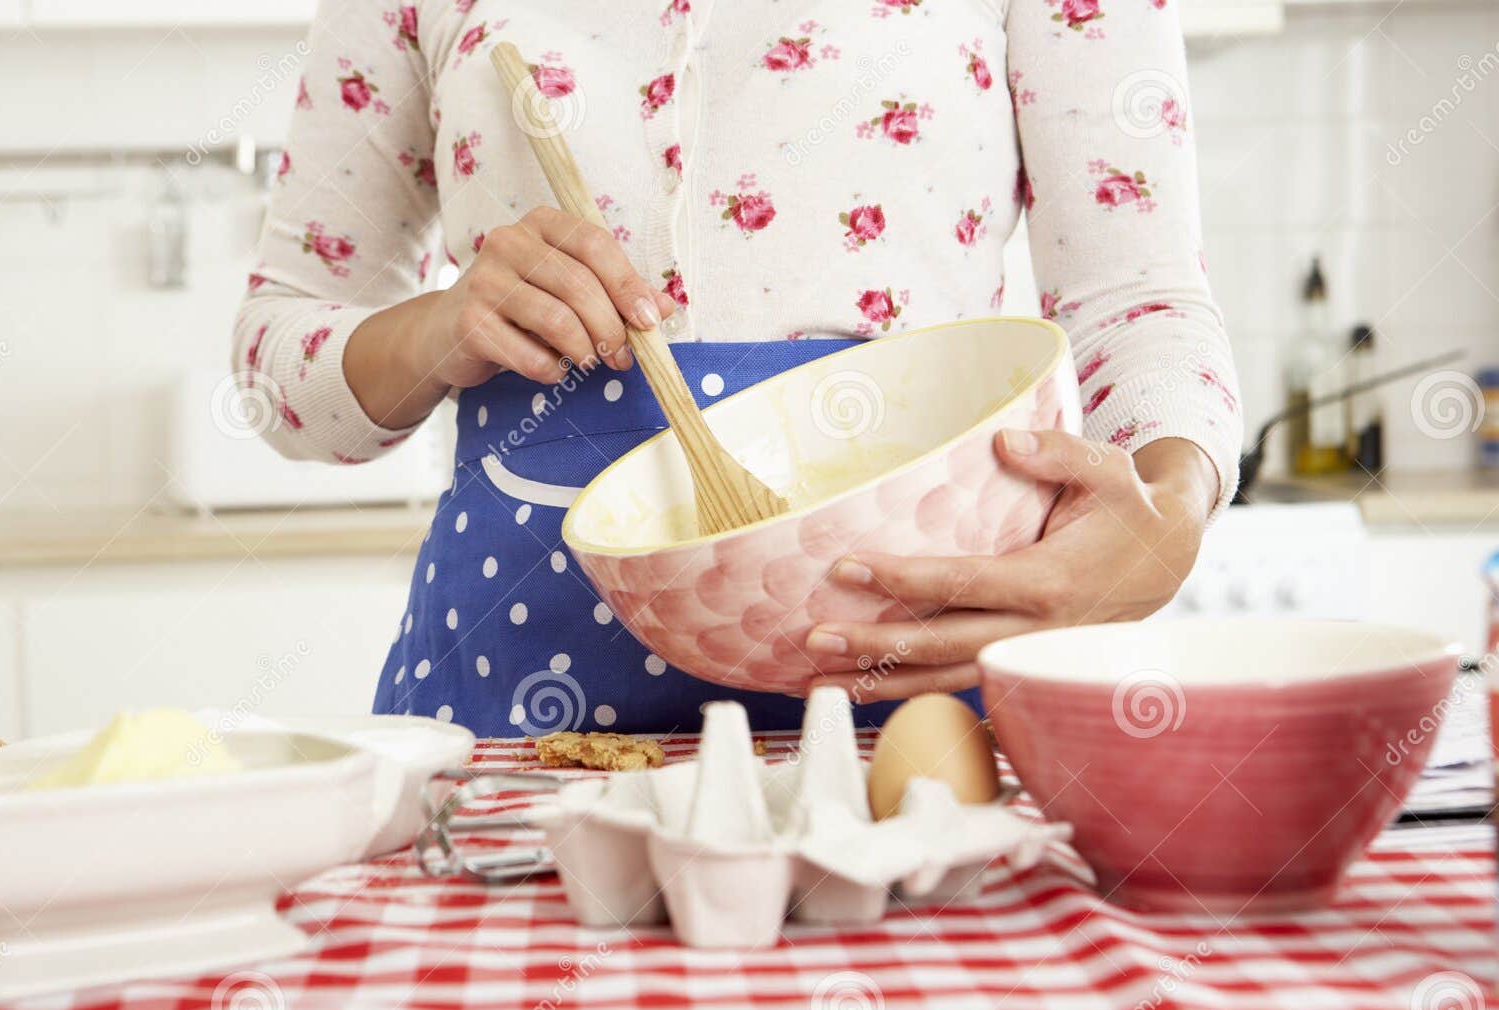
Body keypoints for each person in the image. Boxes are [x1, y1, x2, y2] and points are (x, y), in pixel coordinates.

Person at [233, 0, 1241, 736]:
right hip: (513, 727)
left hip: (916, 716)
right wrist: (442, 327)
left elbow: (1137, 301)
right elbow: (277, 367)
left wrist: (1169, 514)